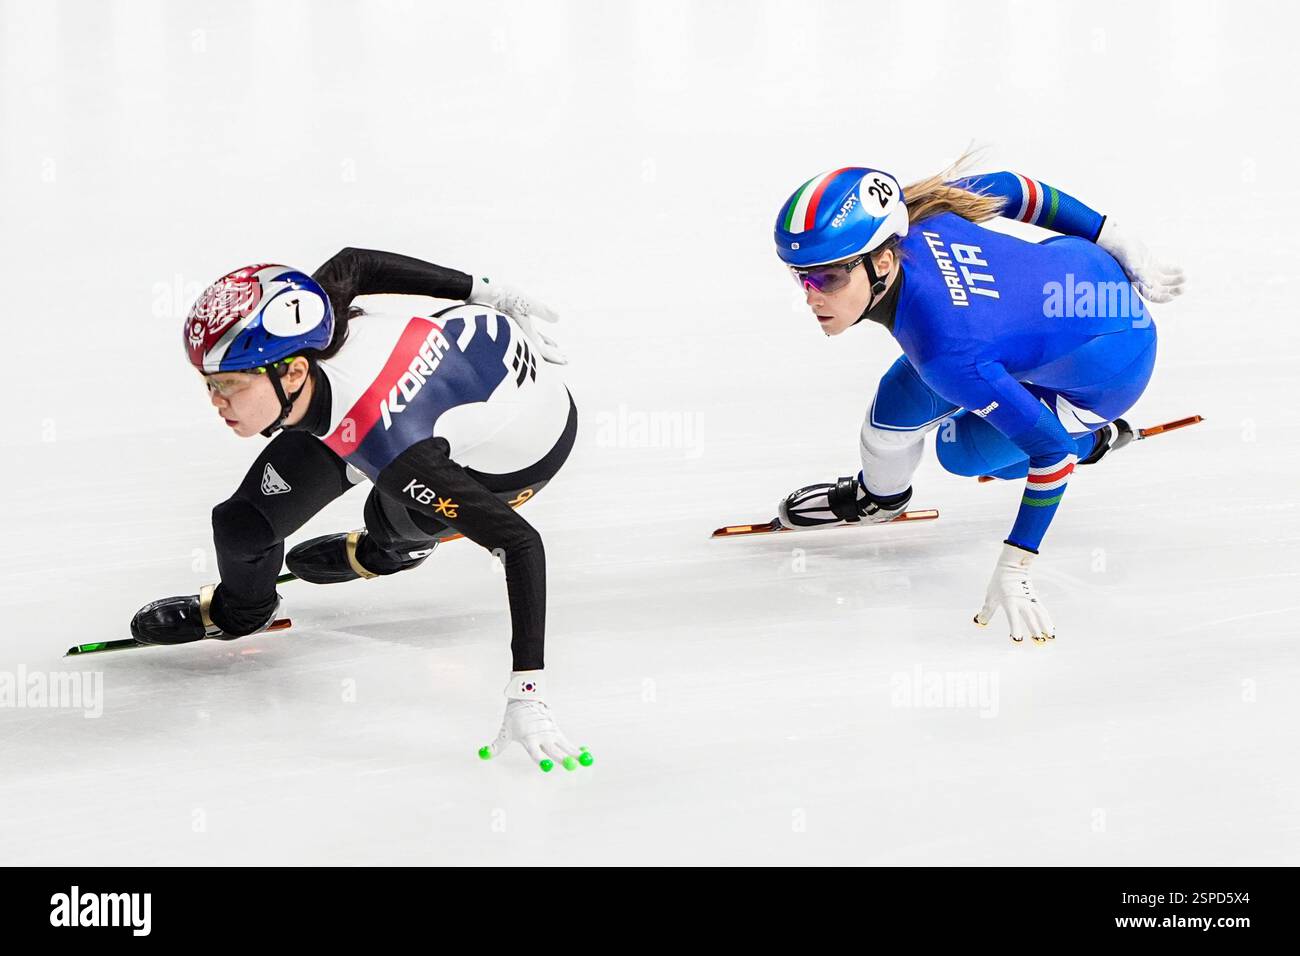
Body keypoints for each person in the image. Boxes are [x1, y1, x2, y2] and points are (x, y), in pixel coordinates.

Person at [131, 249, 592, 772]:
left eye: (231, 383)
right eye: (209, 383)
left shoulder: (395, 449)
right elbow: (357, 263)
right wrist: (483, 289)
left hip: (516, 455)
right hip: (432, 393)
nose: (216, 400)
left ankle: (395, 548)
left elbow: (520, 542)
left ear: (294, 371)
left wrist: (527, 690)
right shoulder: (317, 315)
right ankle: (246, 612)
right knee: (242, 526)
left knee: (391, 514)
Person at [773, 162, 1184, 643]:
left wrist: (1017, 563)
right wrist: (1111, 235)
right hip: (1072, 286)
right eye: (800, 277)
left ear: (881, 262)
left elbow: (1048, 453)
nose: (810, 297)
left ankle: (1093, 439)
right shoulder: (912, 214)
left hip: (1110, 367)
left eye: (826, 279)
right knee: (887, 419)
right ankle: (879, 499)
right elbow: (1011, 187)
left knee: (962, 452)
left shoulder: (949, 353)